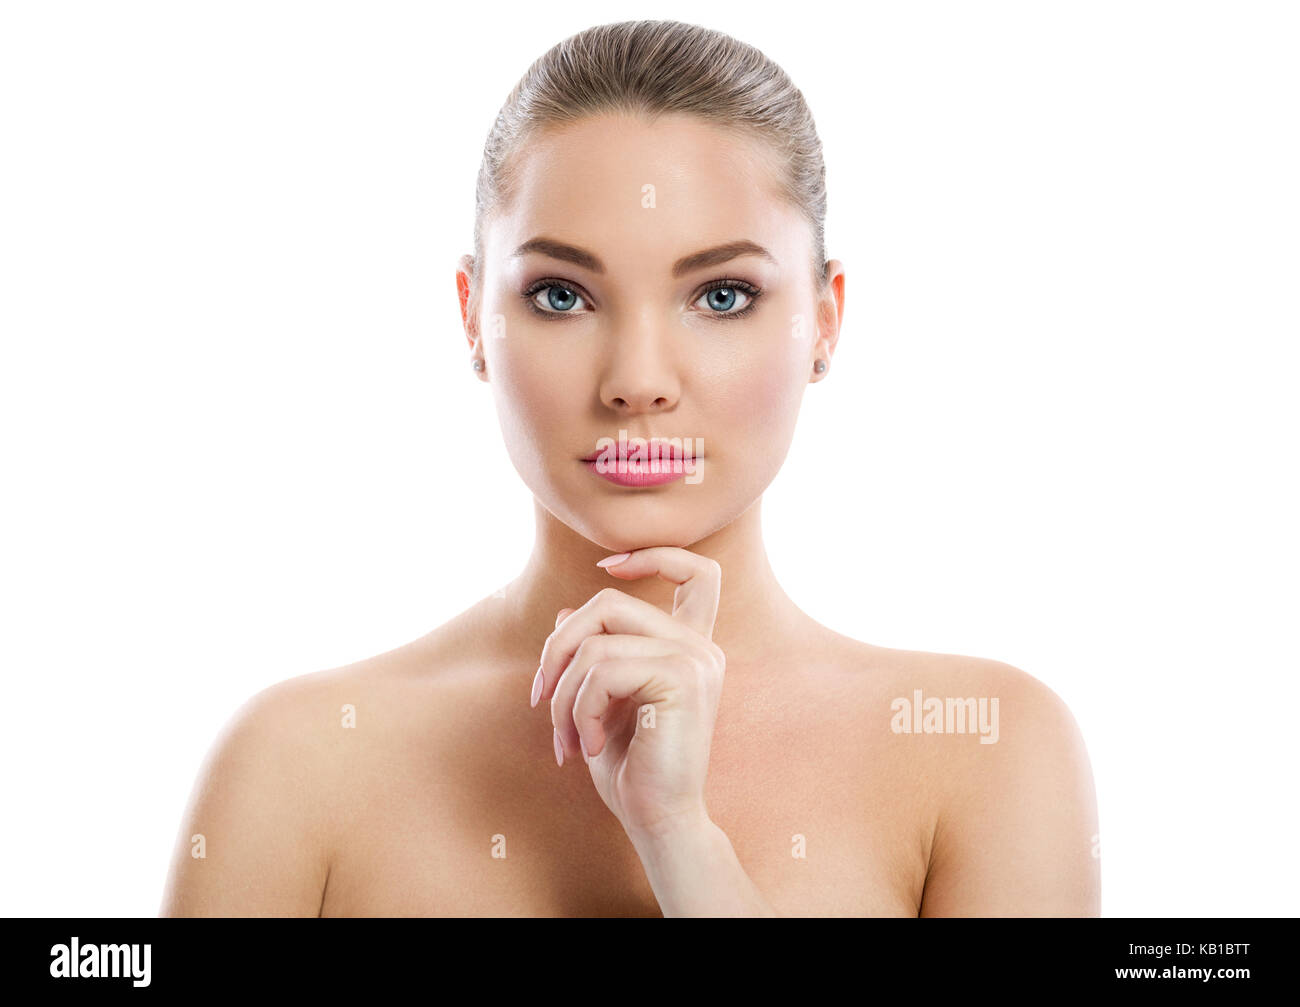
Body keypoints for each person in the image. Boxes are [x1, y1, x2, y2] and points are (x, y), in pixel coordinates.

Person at [161, 18, 1099, 917]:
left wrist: (682, 840)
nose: (638, 382)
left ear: (825, 320)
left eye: (722, 295)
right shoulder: (295, 764)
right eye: (561, 295)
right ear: (471, 319)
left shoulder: (986, 746)